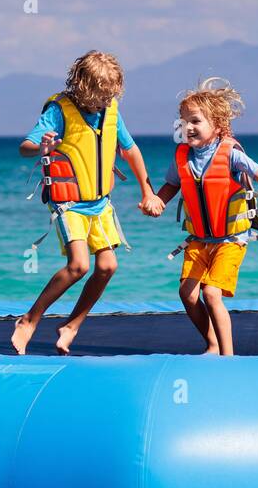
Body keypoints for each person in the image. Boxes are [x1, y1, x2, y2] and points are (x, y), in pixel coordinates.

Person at [14, 51, 162, 355]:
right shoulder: (59, 111)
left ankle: (71, 325)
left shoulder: (111, 111)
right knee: (79, 265)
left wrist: (148, 191)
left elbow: (131, 151)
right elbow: (25, 147)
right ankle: (29, 320)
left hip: (100, 204)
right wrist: (42, 146)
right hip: (69, 205)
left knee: (107, 266)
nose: (104, 103)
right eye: (99, 97)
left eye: (110, 96)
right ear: (82, 88)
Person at [146, 78, 258, 355]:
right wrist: (158, 200)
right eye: (184, 122)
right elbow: (172, 184)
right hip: (198, 240)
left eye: (195, 121)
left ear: (217, 125)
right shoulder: (182, 156)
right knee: (187, 293)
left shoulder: (230, 154)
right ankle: (212, 344)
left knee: (211, 293)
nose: (188, 127)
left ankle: (228, 356)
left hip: (231, 239)